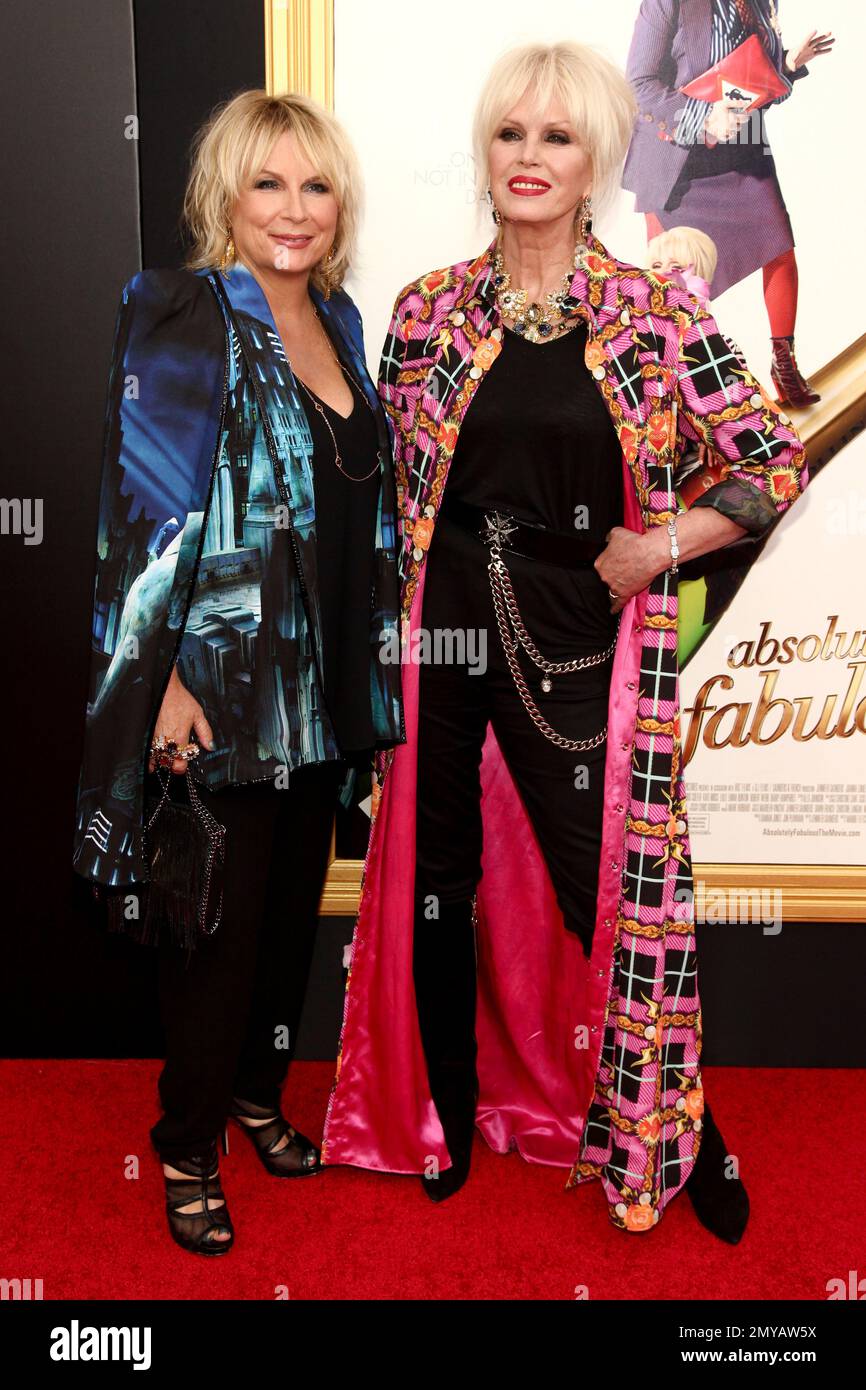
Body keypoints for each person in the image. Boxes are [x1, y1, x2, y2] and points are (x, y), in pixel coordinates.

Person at [320, 41, 809, 1244]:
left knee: (620, 893)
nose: (528, 158)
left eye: (556, 137)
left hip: (572, 637)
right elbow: (389, 497)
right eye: (509, 135)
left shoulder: (649, 311)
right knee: (437, 883)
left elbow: (767, 463)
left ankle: (678, 1125)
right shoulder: (426, 308)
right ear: (483, 156)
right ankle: (436, 1110)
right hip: (437, 635)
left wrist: (662, 545)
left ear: (596, 161)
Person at [72, 90, 404, 1254]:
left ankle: (257, 1099)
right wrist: (156, 681)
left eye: (314, 185)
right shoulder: (180, 311)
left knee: (282, 925)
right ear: (223, 195)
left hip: (321, 694)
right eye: (267, 182)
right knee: (213, 929)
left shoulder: (343, 322)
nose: (293, 208)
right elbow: (139, 514)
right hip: (218, 683)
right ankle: (185, 1141)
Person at [622, 0, 835, 408]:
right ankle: (674, 393)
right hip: (674, 155)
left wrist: (788, 64)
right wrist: (703, 117)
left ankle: (784, 363)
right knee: (675, 283)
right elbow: (638, 85)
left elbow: (754, 83)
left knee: (779, 248)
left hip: (740, 146)